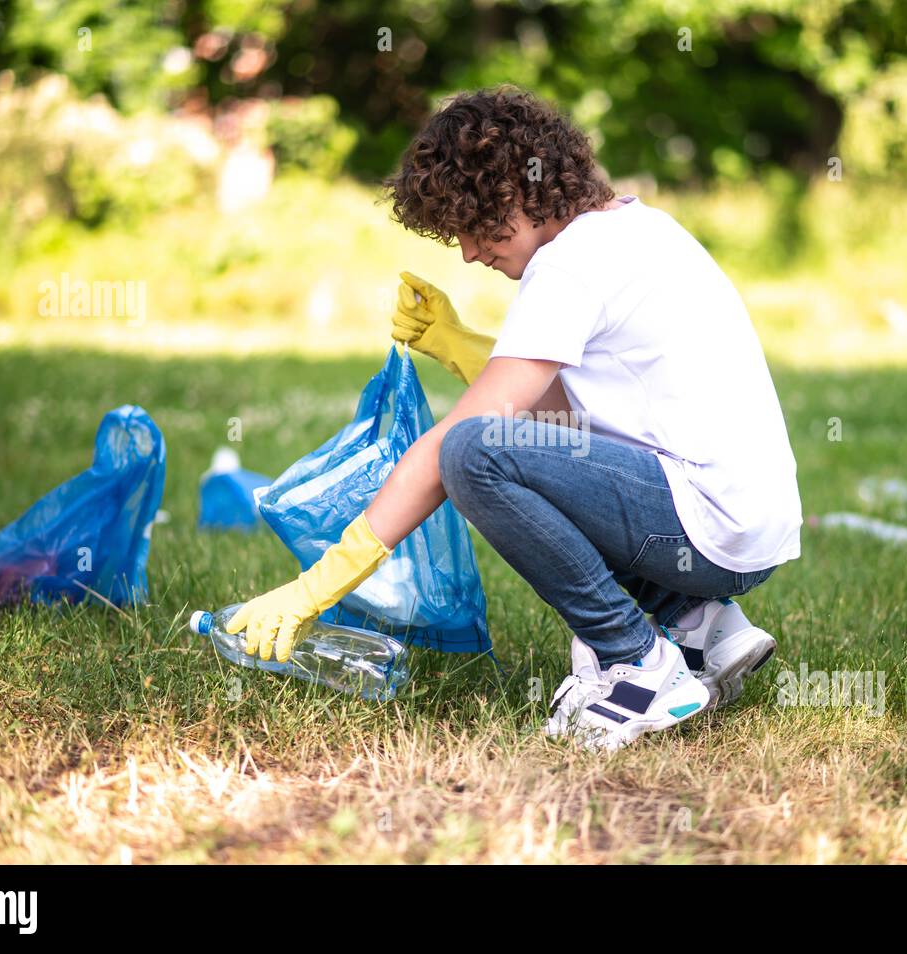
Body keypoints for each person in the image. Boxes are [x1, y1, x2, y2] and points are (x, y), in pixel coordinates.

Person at [228, 87, 802, 750]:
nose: (469, 252)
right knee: (510, 452)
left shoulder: (569, 266)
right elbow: (558, 428)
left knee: (473, 456)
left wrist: (315, 587)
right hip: (742, 523)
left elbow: (462, 446)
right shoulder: (638, 230)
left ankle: (637, 663)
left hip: (706, 524)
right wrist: (459, 343)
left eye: (473, 225)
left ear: (520, 193)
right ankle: (701, 625)